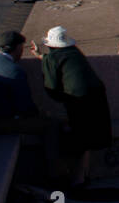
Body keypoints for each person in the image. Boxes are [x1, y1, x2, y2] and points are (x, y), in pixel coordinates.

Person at [0, 31, 62, 184]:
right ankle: (55, 175)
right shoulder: (15, 71)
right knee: (51, 125)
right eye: (21, 49)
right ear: (16, 49)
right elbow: (26, 109)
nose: (22, 53)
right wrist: (41, 114)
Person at [30, 26, 112, 188]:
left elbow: (51, 87)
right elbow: (63, 63)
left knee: (77, 141)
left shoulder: (53, 58)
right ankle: (84, 176)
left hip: (79, 101)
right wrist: (43, 57)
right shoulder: (74, 52)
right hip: (97, 97)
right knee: (87, 140)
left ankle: (76, 181)